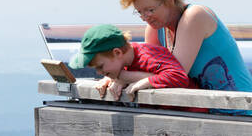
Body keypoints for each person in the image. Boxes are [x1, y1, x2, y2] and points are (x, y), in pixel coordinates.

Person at [120, 0, 252, 118]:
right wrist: (116, 78)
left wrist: (120, 76)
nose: (145, 17)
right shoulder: (155, 29)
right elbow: (147, 70)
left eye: (150, 10)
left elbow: (174, 75)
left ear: (169, 0)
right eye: (140, 12)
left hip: (246, 113)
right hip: (211, 115)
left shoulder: (194, 17)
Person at [66, 23, 205, 112]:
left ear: (117, 52)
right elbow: (122, 72)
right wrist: (110, 78)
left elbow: (179, 77)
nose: (99, 72)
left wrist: (143, 82)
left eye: (101, 67)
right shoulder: (124, 63)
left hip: (194, 117)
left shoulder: (149, 55)